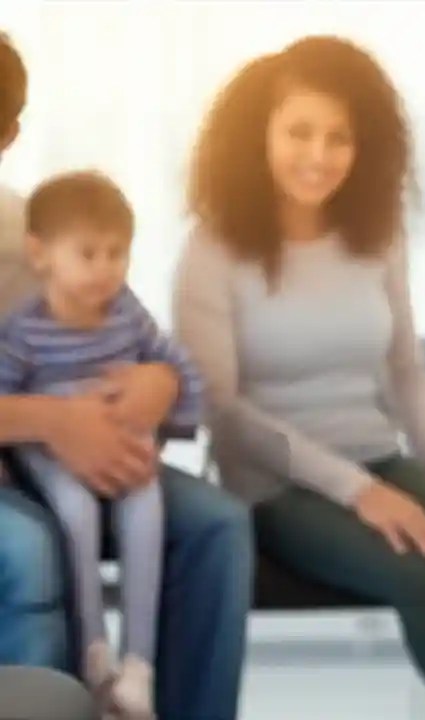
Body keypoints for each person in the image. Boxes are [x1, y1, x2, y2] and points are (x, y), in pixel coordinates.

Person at [174, 35, 425, 720]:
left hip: (379, 457)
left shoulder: (378, 233)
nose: (318, 155)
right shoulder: (212, 248)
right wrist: (360, 494)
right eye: (299, 131)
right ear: (258, 133)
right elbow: (222, 411)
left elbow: (406, 367)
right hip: (275, 485)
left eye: (338, 137)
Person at [0, 33, 251, 720]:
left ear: (9, 132)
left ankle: (150, 694)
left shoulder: (35, 226)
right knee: (33, 543)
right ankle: (82, 683)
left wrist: (159, 387)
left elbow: (122, 329)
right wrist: (51, 422)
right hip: (34, 451)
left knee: (218, 527)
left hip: (65, 441)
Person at [0, 171, 204, 717]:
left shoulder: (127, 312)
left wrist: (164, 394)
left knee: (160, 511)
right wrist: (52, 425)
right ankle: (93, 650)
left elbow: (178, 368)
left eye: (117, 254)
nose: (104, 269)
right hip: (45, 451)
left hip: (126, 441)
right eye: (88, 255)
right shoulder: (23, 331)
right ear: (41, 255)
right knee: (73, 515)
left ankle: (138, 666)